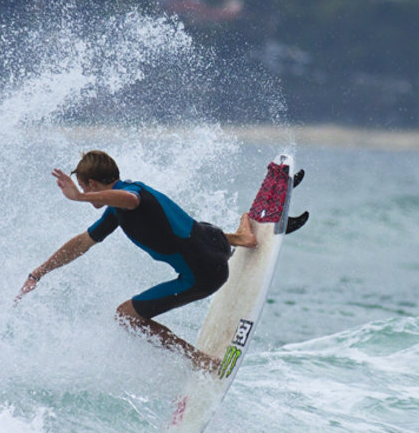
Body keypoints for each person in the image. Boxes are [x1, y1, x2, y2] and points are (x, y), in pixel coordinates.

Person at [16, 150, 257, 370]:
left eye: (85, 188)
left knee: (126, 316)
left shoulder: (132, 196)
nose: (88, 197)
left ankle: (200, 361)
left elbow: (130, 200)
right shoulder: (121, 205)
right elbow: (81, 243)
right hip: (217, 246)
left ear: (92, 184)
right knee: (187, 228)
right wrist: (39, 272)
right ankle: (240, 238)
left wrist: (77, 197)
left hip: (206, 276)